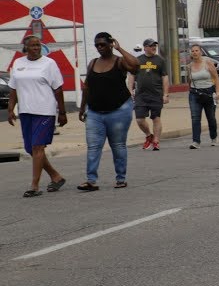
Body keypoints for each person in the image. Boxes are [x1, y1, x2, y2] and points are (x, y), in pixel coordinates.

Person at [6, 34, 69, 197]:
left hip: (45, 111)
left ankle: (34, 186)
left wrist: (62, 113)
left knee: (38, 147)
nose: (36, 48)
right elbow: (13, 88)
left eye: (38, 45)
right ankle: (56, 177)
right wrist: (10, 109)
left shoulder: (49, 64)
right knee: (31, 149)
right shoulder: (18, 63)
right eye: (32, 46)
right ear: (25, 48)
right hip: (26, 112)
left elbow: (58, 89)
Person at [78, 31, 140, 191]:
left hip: (119, 110)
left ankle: (121, 178)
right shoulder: (92, 63)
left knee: (118, 145)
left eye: (103, 44)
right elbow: (87, 87)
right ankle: (91, 180)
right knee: (93, 146)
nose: (99, 47)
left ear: (110, 44)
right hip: (95, 112)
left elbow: (135, 66)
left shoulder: (120, 62)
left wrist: (120, 48)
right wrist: (82, 107)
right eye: (97, 45)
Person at [127, 38, 170, 151]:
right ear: (145, 47)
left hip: (156, 94)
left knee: (156, 118)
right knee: (140, 119)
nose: (154, 48)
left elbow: (165, 77)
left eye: (155, 46)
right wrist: (130, 90)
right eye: (151, 46)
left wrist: (165, 94)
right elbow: (131, 75)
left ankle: (156, 141)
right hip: (141, 95)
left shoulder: (160, 60)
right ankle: (148, 135)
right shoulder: (138, 60)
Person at [186, 43, 219, 148]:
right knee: (195, 117)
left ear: (200, 52)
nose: (195, 53)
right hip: (195, 93)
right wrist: (190, 90)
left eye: (196, 51)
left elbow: (216, 78)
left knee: (211, 117)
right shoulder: (189, 66)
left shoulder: (208, 63)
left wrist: (218, 92)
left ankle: (214, 137)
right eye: (192, 51)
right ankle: (196, 141)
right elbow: (189, 81)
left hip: (209, 92)